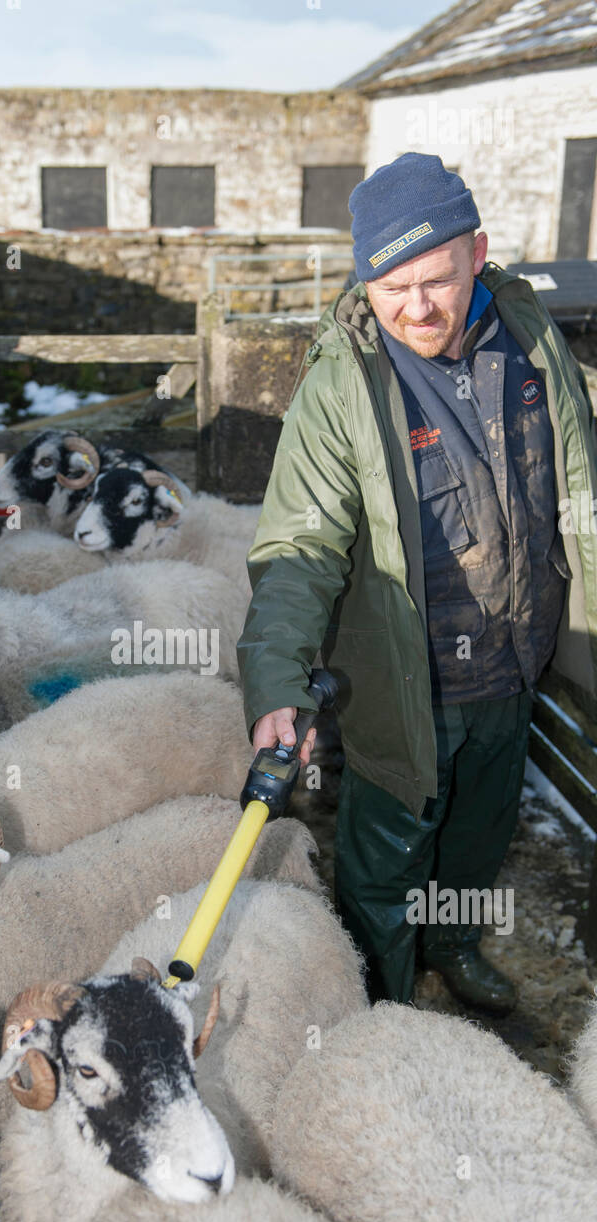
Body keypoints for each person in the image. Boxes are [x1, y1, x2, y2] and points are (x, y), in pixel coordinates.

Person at [237, 152, 597, 1014]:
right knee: (386, 857)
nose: (416, 308)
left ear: (477, 251)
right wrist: (277, 678)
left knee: (479, 840)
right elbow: (301, 545)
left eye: (435, 279)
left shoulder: (531, 336)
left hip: (513, 669)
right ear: (366, 282)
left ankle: (457, 948)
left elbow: (579, 486)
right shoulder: (342, 386)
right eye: (392, 287)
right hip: (404, 683)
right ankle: (386, 1010)